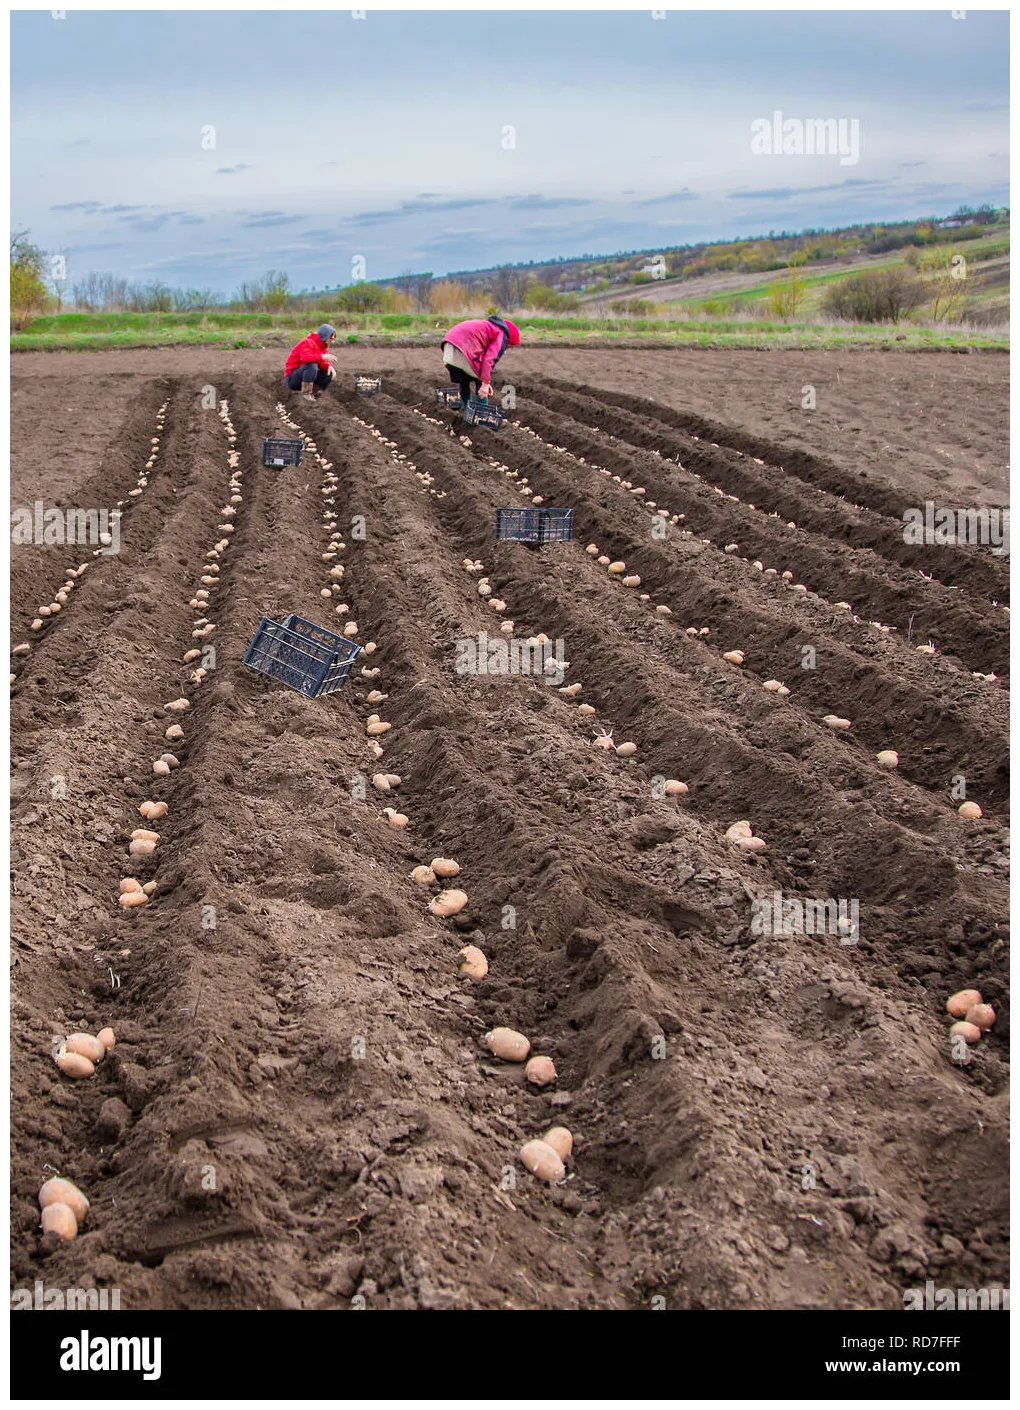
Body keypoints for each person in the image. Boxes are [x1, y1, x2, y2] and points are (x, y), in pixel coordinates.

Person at [441, 314, 520, 409]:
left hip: (448, 348)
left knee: (464, 380)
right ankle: (482, 416)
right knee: (479, 382)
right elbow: (489, 359)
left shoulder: (489, 327)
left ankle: (467, 410)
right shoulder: (501, 335)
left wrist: (485, 380)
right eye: (509, 345)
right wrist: (485, 383)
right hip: (462, 348)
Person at [285, 324, 338, 399]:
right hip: (293, 379)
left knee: (328, 372)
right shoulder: (307, 342)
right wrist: (323, 356)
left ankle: (316, 394)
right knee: (311, 365)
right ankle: (306, 394)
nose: (332, 342)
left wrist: (328, 366)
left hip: (304, 375)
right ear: (324, 337)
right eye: (331, 338)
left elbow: (320, 362)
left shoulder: (322, 346)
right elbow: (306, 358)